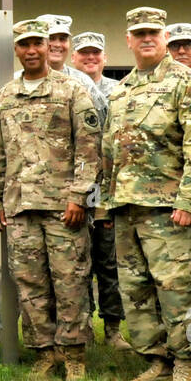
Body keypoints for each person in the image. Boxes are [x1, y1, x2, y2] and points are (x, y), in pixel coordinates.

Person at [101, 6, 191, 381]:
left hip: (168, 208)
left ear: (165, 37)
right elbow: (108, 150)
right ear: (129, 41)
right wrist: (105, 201)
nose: (147, 38)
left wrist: (190, 202)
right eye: (139, 33)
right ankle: (157, 360)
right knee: (135, 289)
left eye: (154, 32)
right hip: (125, 206)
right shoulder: (121, 90)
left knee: (176, 287)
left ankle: (186, 363)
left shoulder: (187, 81)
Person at [0, 18, 100, 381]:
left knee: (70, 280)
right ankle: (45, 352)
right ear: (17, 49)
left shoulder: (72, 89)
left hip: (64, 207)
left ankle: (74, 354)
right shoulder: (7, 94)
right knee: (30, 283)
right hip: (19, 207)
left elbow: (90, 148)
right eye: (24, 45)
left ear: (49, 47)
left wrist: (79, 195)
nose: (31, 51)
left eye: (37, 44)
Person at [70, 31, 128, 350]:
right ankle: (83, 327)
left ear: (105, 58)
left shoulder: (118, 93)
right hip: (74, 191)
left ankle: (114, 328)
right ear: (73, 58)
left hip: (105, 191)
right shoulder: (67, 87)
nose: (90, 58)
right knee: (77, 263)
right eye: (84, 54)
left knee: (109, 261)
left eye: (96, 53)